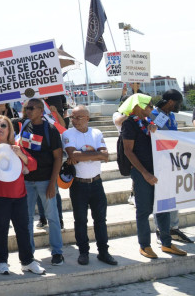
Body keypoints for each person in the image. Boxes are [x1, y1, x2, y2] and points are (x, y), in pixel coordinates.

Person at [119, 94, 187, 258]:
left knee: (164, 207)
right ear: (138, 107)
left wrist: (156, 132)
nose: (151, 107)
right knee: (144, 210)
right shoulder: (129, 124)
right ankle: (145, 245)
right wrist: (145, 173)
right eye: (148, 105)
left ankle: (167, 243)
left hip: (159, 171)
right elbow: (128, 151)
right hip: (143, 172)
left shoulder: (149, 123)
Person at [0, 116, 46, 275]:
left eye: (3, 125)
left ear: (9, 129)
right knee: (1, 230)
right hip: (0, 197)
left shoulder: (17, 146)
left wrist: (21, 154)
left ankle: (27, 261)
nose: (0, 128)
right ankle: (2, 261)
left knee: (23, 230)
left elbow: (32, 165)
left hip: (19, 196)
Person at [61, 106, 117, 266]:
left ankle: (103, 252)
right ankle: (83, 252)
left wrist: (83, 155)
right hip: (78, 184)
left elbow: (106, 155)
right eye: (72, 117)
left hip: (96, 183)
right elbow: (73, 154)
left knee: (100, 220)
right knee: (80, 220)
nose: (74, 120)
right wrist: (96, 154)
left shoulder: (96, 133)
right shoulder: (68, 134)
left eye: (78, 117)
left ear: (87, 118)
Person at [20, 98, 65, 266]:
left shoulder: (50, 130)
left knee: (53, 217)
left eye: (31, 108)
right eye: (26, 108)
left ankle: (57, 252)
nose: (27, 111)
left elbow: (58, 157)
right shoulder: (24, 125)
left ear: (40, 110)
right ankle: (28, 254)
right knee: (27, 219)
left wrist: (53, 184)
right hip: (27, 182)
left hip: (45, 181)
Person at [150, 90, 193, 244]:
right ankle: (161, 230)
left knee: (175, 195)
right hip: (160, 162)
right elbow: (161, 136)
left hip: (174, 162)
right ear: (170, 102)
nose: (179, 106)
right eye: (178, 103)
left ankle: (173, 228)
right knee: (162, 197)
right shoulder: (154, 115)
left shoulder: (172, 116)